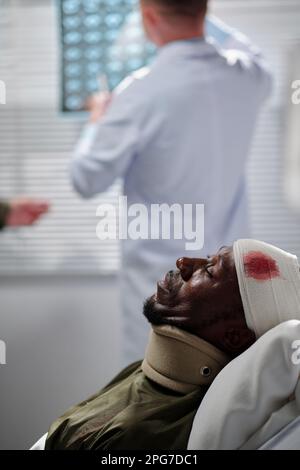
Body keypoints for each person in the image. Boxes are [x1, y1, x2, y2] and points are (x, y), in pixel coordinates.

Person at [71, 0, 272, 364]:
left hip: (160, 284)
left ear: (147, 16)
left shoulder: (139, 93)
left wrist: (98, 121)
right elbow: (250, 49)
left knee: (155, 391)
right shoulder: (249, 76)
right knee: (226, 391)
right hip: (228, 279)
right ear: (205, 10)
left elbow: (86, 179)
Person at [45, 239, 300, 450]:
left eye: (209, 270)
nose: (184, 263)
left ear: (234, 336)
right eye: (206, 259)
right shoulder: (144, 375)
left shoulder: (139, 436)